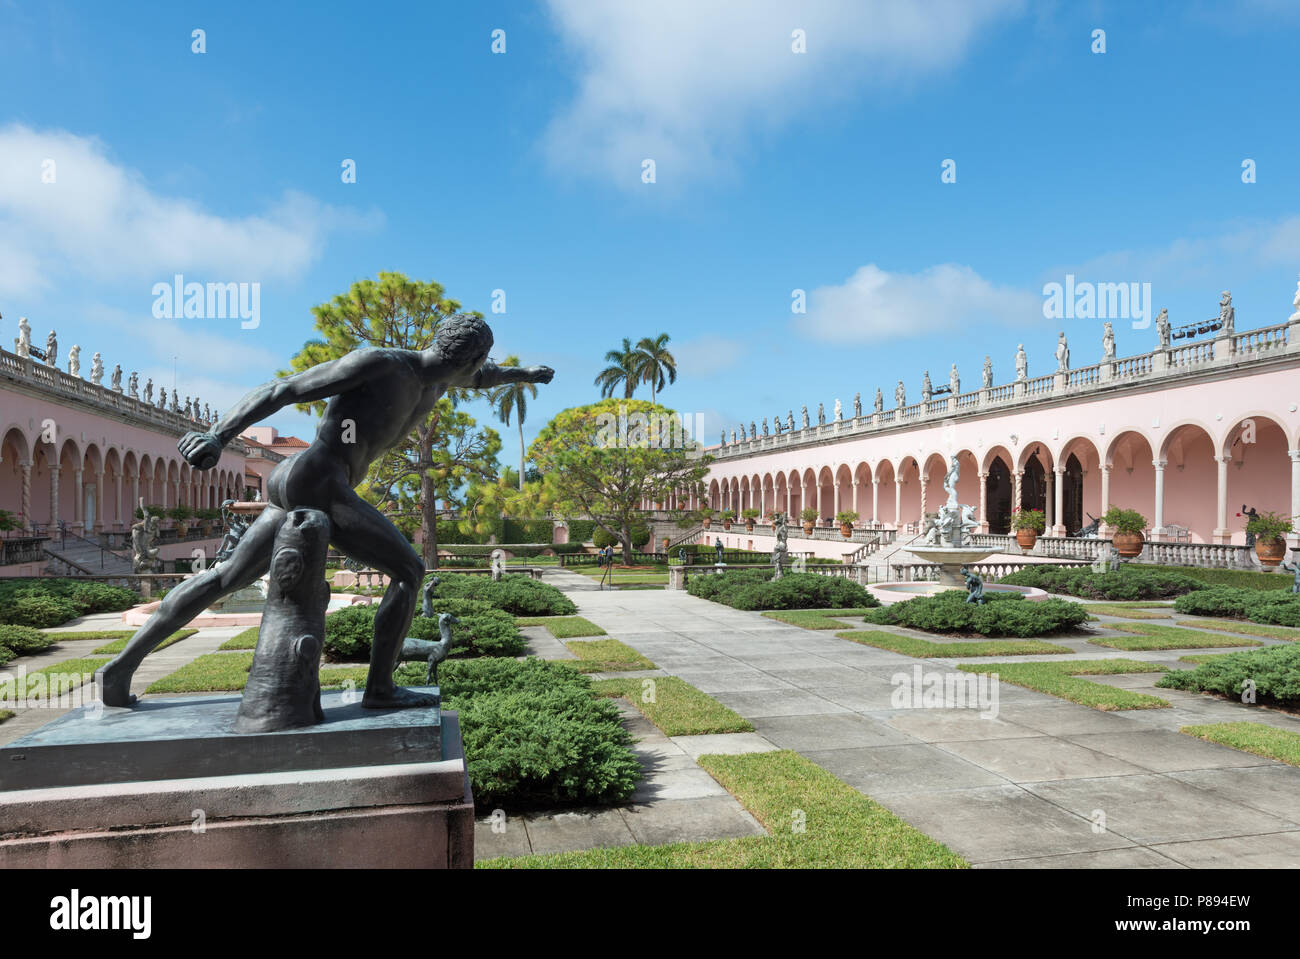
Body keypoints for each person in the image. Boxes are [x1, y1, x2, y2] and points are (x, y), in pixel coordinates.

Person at [95, 313, 553, 709]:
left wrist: (525, 374)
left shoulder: (441, 379)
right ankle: (380, 688)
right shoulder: (381, 363)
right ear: (469, 357)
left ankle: (121, 668)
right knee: (410, 571)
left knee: (225, 578)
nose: (478, 373)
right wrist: (217, 434)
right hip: (320, 478)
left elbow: (485, 376)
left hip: (301, 480)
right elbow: (286, 388)